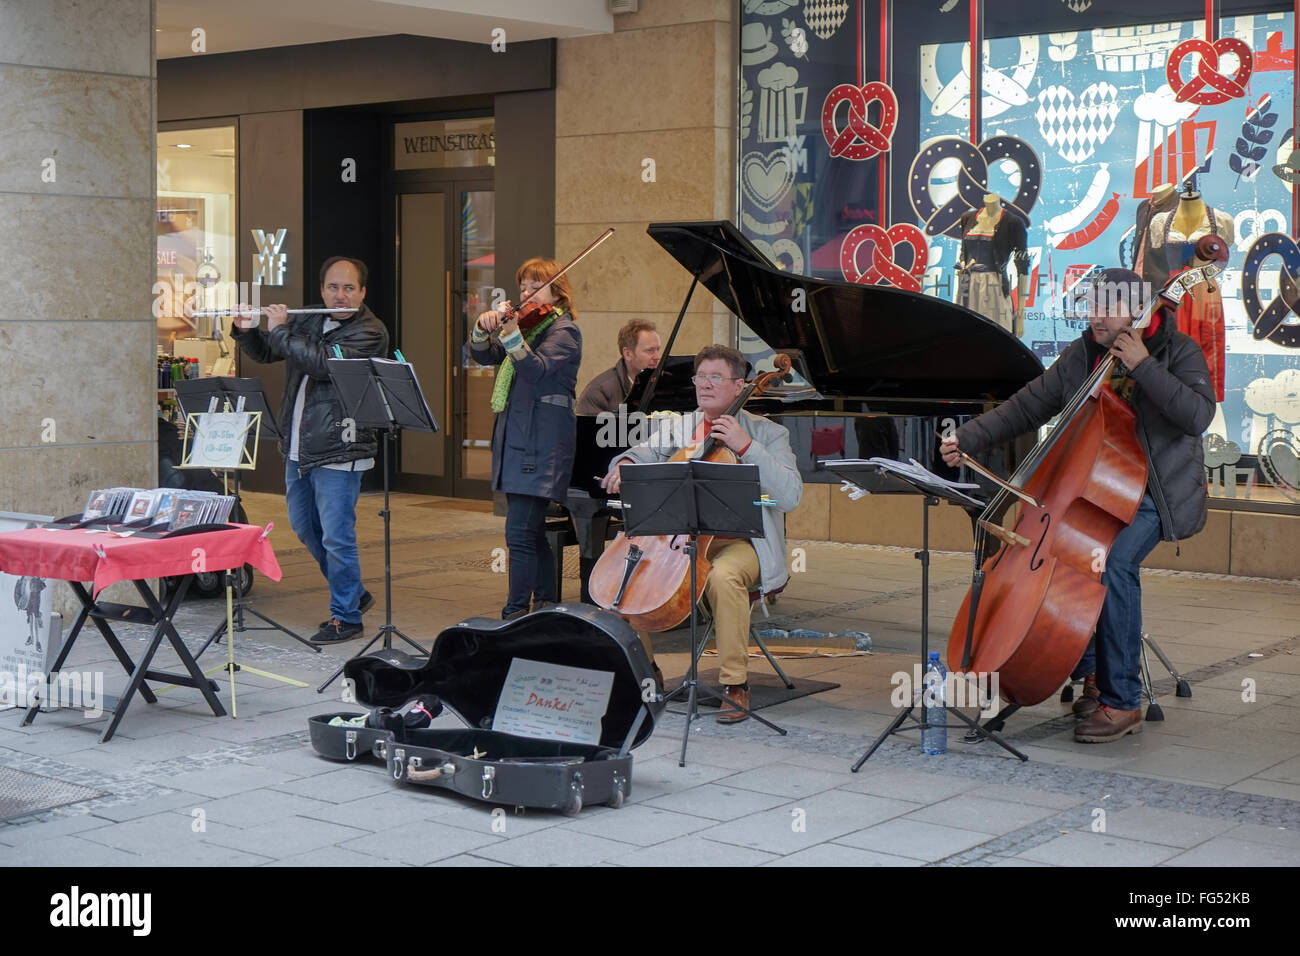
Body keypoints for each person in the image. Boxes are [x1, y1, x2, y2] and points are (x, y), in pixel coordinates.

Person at [940, 268, 1214, 743]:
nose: (1094, 317)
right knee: (1071, 559)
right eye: (1091, 305)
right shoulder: (1083, 354)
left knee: (1113, 564)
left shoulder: (1177, 351)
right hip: (1094, 489)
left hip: (1156, 494)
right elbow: (1029, 407)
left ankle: (1123, 700)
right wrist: (968, 437)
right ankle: (1090, 669)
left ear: (1137, 311)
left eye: (1106, 308)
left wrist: (1144, 365)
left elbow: (1197, 416)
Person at [600, 345, 802, 723]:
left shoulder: (769, 433)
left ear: (740, 385)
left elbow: (791, 496)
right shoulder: (680, 426)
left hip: (741, 541)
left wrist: (746, 446)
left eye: (715, 378)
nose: (704, 385)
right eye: (700, 377)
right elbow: (641, 454)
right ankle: (646, 673)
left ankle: (735, 684)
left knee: (724, 577)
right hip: (683, 539)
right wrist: (625, 460)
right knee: (628, 576)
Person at [231, 256, 389, 643]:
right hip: (299, 443)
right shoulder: (308, 320)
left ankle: (346, 617)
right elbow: (270, 351)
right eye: (333, 287)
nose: (340, 295)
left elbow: (321, 364)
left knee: (337, 535)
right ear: (321, 290)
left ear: (363, 292)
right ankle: (352, 592)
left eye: (349, 288)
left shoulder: (370, 331)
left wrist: (282, 329)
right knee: (304, 526)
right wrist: (247, 330)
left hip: (341, 444)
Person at [472, 258, 582, 619]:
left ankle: (516, 612)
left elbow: (535, 371)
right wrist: (482, 326)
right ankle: (546, 602)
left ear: (557, 291)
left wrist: (510, 331)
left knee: (519, 532)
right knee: (532, 533)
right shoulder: (530, 327)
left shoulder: (564, 332)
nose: (525, 293)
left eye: (535, 286)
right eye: (523, 287)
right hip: (520, 438)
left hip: (542, 445)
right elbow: (485, 354)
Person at [576, 319, 661, 415]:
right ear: (628, 354)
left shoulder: (663, 385)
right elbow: (587, 428)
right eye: (650, 350)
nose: (657, 357)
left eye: (658, 349)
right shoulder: (598, 392)